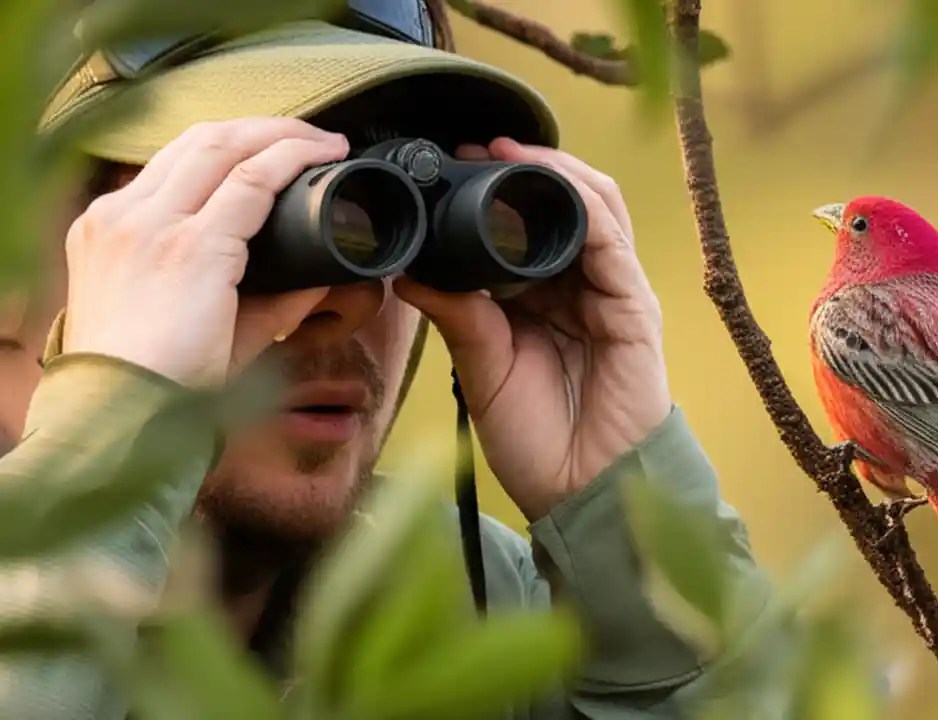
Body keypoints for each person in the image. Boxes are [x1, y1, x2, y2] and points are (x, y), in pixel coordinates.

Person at [0, 3, 769, 718]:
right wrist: (104, 456)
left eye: (379, 216)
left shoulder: (471, 612)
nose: (348, 300)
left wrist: (629, 540)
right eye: (234, 221)